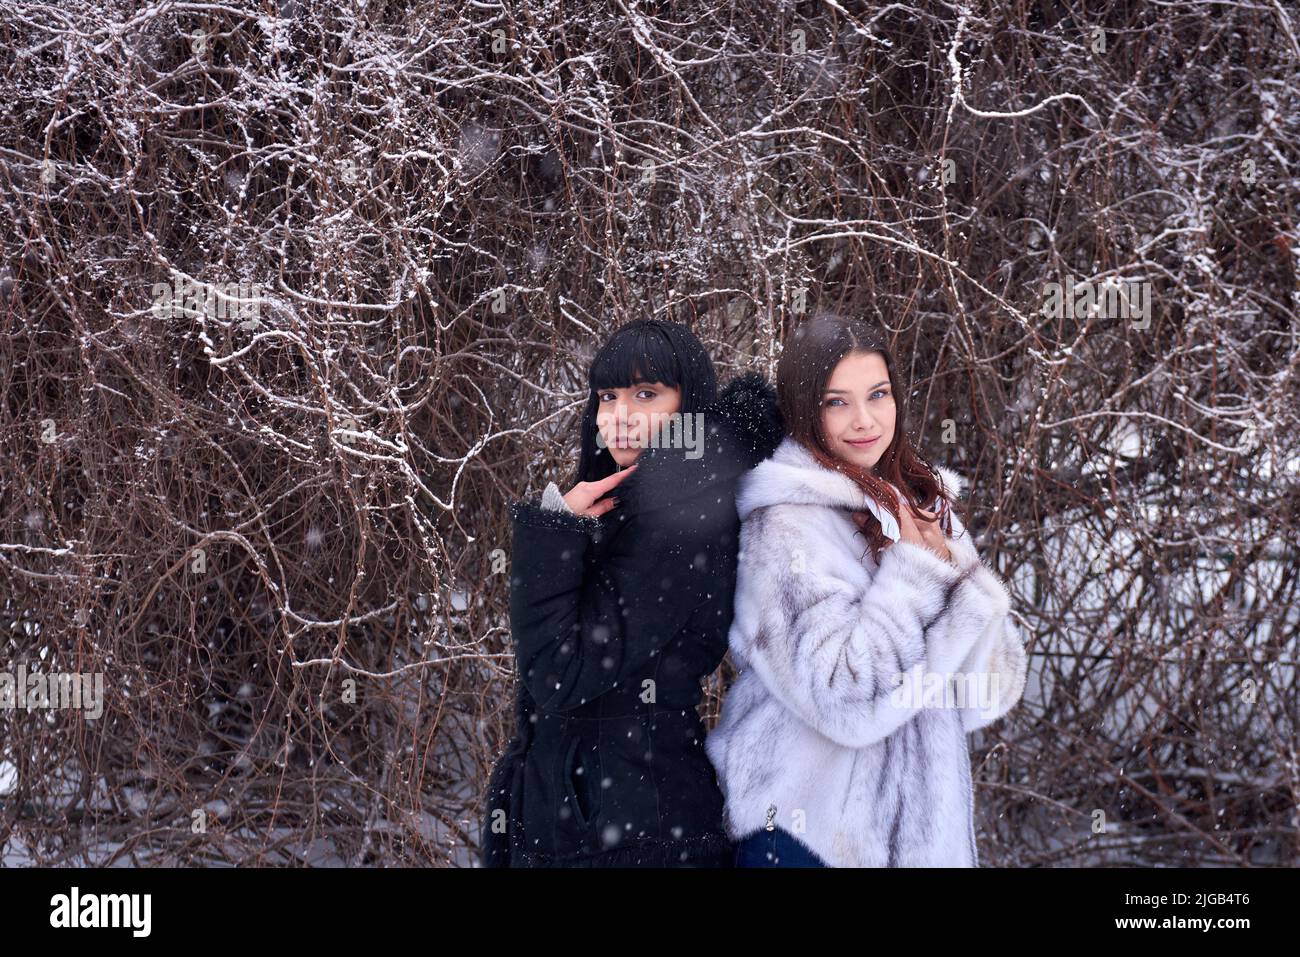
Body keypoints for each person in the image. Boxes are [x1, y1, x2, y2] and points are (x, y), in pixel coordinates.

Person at [705, 315, 1029, 867]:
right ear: (806, 409)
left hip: (917, 845)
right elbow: (843, 697)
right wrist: (919, 576)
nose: (864, 420)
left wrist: (958, 578)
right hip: (801, 836)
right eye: (837, 402)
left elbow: (987, 695)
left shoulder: (918, 502)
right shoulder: (786, 523)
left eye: (878, 395)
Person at [481, 319, 784, 867]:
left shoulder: (682, 520)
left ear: (687, 406)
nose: (619, 417)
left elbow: (560, 673)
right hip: (606, 825)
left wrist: (550, 531)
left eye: (646, 395)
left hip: (636, 834)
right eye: (608, 396)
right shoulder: (636, 508)